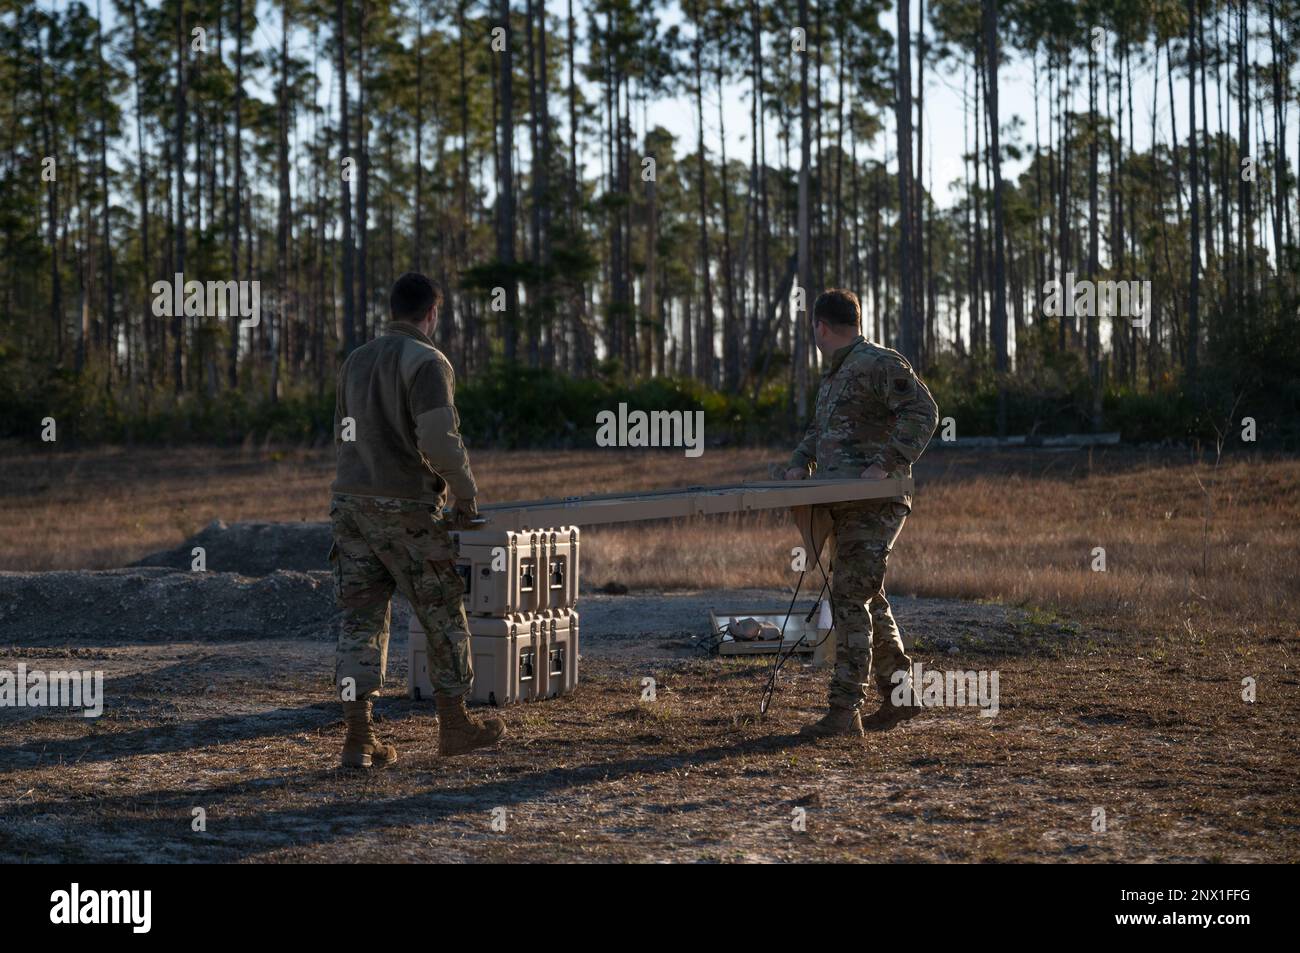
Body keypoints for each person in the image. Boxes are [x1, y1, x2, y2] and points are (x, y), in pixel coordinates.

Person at [329, 272, 505, 768]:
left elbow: (343, 434)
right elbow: (438, 438)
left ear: (392, 310)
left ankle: (359, 738)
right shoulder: (427, 361)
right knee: (444, 611)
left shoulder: (355, 361)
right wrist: (465, 494)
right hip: (404, 507)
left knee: (360, 620)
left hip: (349, 503)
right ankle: (454, 725)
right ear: (431, 314)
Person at [784, 289, 938, 736]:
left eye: (813, 327)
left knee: (849, 597)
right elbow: (820, 430)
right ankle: (900, 696)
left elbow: (923, 412)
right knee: (867, 594)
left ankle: (842, 711)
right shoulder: (834, 375)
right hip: (843, 505)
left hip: (875, 504)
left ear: (821, 327)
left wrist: (884, 463)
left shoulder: (877, 362)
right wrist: (799, 461)